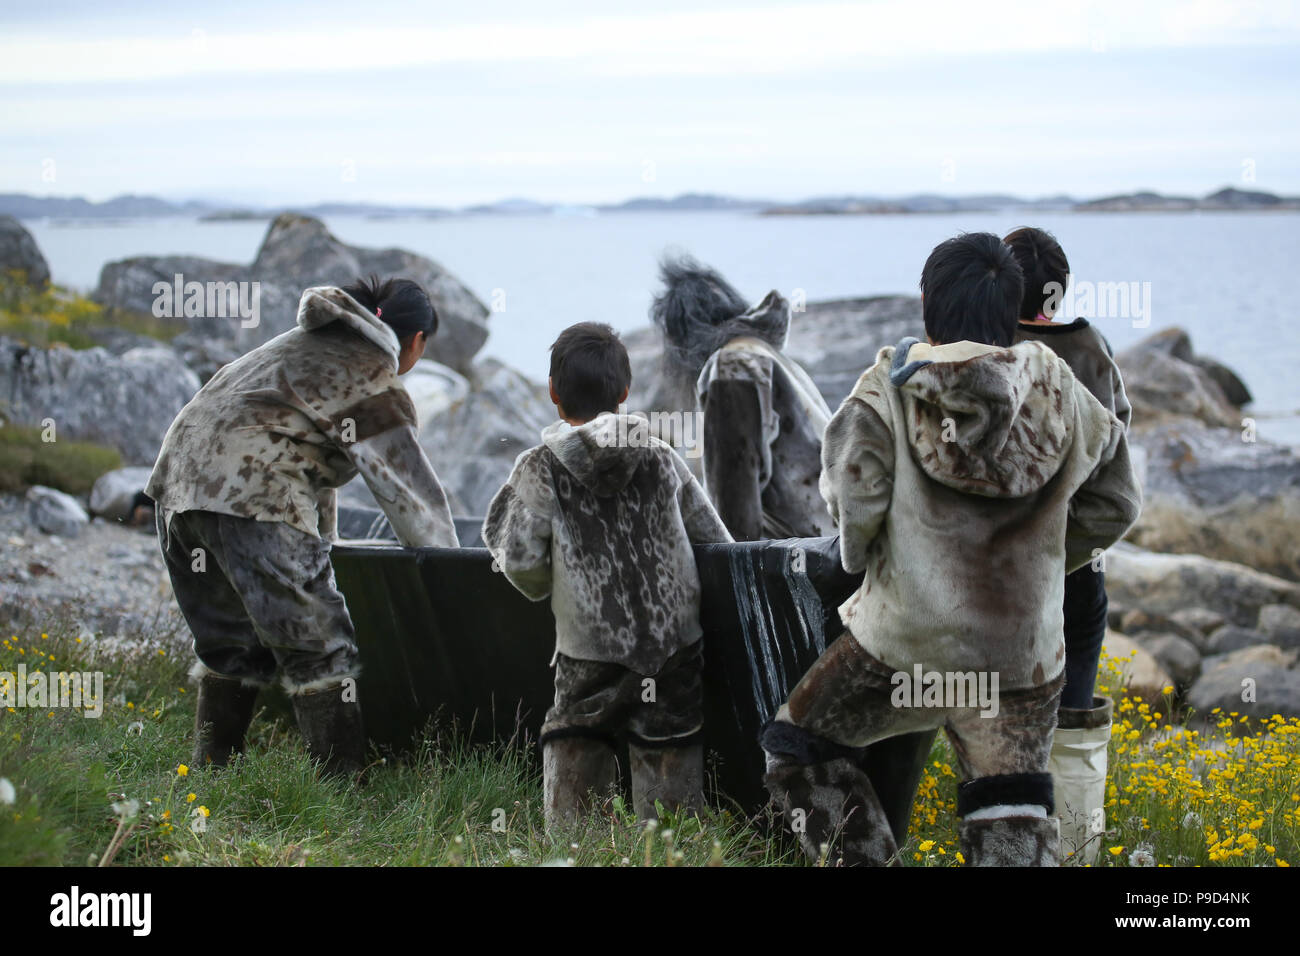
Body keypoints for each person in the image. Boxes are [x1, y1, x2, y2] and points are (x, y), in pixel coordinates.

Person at [760, 233, 1142, 866]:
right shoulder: (1064, 391)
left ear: (925, 301)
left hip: (906, 644)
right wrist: (1049, 562)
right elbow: (1118, 504)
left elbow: (854, 497)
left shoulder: (887, 387)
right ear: (1014, 303)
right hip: (1023, 652)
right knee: (1009, 805)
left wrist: (864, 561)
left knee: (797, 747)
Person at [147, 276, 459, 778]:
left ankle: (211, 772)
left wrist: (321, 548)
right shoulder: (371, 378)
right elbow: (411, 496)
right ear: (417, 341)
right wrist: (449, 575)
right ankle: (338, 788)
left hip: (177, 487)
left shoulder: (297, 346)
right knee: (319, 649)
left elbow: (308, 462)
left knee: (233, 643)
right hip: (252, 495)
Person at [482, 322, 732, 827]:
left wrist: (555, 589)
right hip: (673, 646)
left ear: (553, 392)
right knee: (670, 753)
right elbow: (714, 542)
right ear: (623, 392)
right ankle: (671, 851)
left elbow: (523, 562)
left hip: (588, 647)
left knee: (574, 741)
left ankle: (577, 850)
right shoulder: (662, 456)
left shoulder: (540, 467)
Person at [1005, 226, 1132, 864]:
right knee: (1073, 715)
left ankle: (1009, 840)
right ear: (1057, 294)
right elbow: (1118, 438)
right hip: (1076, 562)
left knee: (999, 719)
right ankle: (1079, 849)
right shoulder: (1088, 346)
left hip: (997, 563)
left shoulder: (989, 348)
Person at [651, 255, 835, 540]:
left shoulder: (731, 367)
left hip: (809, 554)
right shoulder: (762, 352)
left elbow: (734, 505)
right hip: (832, 539)